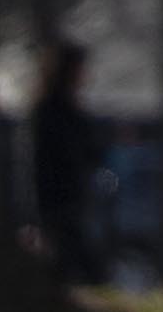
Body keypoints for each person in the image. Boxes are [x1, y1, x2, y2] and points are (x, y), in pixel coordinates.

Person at [28, 38, 108, 284]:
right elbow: (40, 164)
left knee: (78, 263)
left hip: (74, 201)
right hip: (54, 203)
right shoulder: (47, 113)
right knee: (74, 263)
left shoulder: (73, 113)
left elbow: (93, 154)